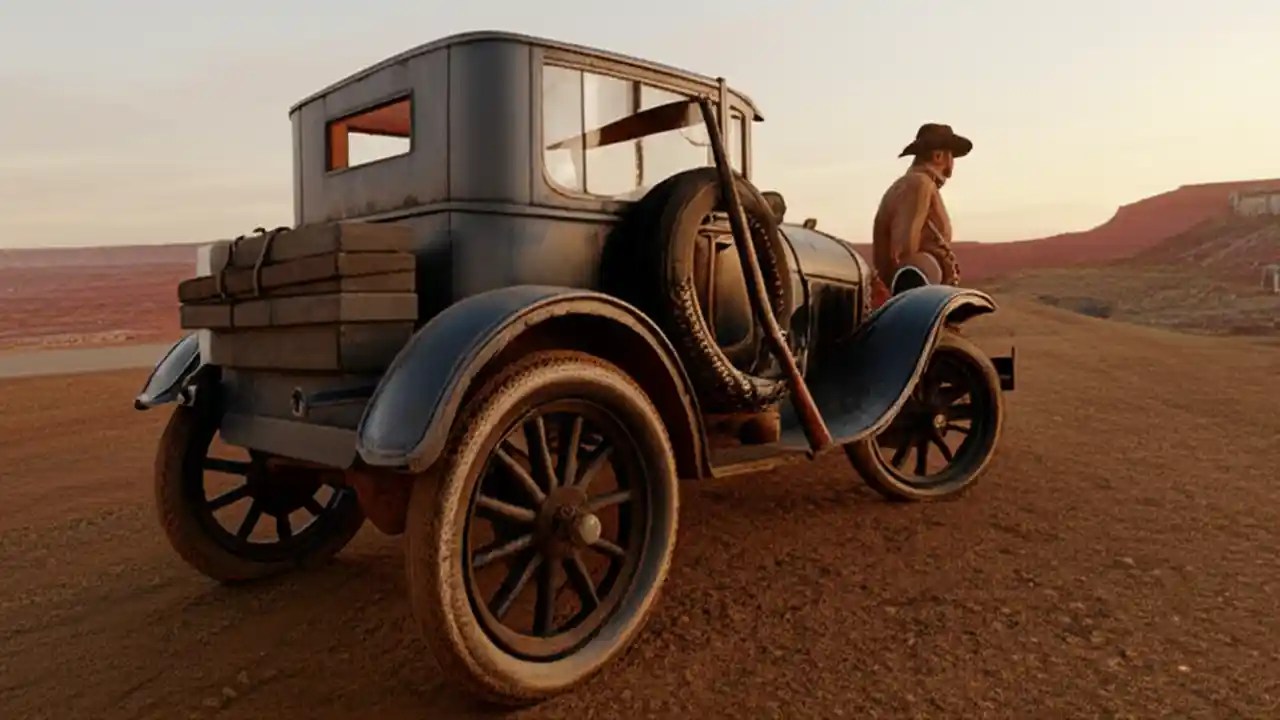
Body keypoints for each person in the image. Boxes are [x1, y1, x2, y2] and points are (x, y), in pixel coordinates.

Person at [870, 123, 972, 303]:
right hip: (915, 295)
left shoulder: (911, 184)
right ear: (938, 155)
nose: (952, 163)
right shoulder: (919, 184)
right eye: (951, 155)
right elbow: (903, 249)